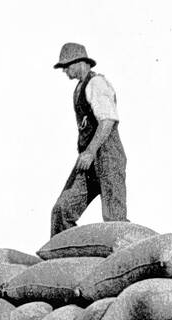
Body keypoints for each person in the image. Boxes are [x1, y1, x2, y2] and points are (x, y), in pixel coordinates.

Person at [50, 42, 127, 234]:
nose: (65, 71)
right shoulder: (79, 88)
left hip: (107, 156)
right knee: (62, 210)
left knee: (114, 218)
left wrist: (91, 151)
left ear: (79, 62)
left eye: (67, 66)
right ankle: (65, 260)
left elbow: (108, 120)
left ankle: (121, 259)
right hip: (88, 161)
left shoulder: (96, 83)